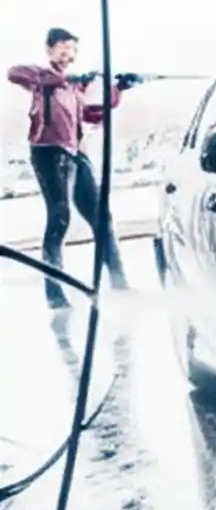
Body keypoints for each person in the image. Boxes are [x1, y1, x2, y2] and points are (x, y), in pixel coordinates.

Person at [7, 27, 136, 309]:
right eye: (63, 48)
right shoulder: (41, 79)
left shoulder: (74, 88)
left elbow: (90, 114)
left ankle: (119, 282)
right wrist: (63, 77)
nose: (68, 54)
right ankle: (55, 295)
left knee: (102, 218)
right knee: (59, 217)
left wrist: (119, 90)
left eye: (72, 49)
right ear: (50, 49)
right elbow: (13, 73)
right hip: (49, 154)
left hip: (77, 154)